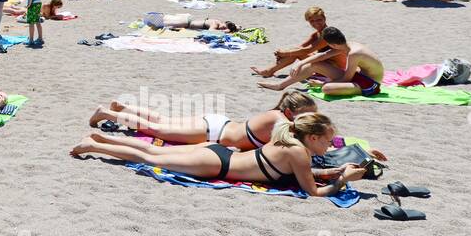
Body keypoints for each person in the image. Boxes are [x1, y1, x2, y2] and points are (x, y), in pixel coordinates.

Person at [71, 112, 368, 198]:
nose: (330, 147)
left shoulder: (290, 140)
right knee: (150, 157)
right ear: (312, 138)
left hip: (220, 153)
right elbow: (314, 192)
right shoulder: (299, 153)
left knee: (152, 149)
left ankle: (102, 138)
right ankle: (94, 146)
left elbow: (303, 175)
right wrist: (343, 180)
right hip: (216, 165)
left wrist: (335, 172)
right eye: (328, 142)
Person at [87, 92, 318, 149]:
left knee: (162, 121)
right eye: (307, 114)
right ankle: (108, 114)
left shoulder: (277, 115)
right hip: (213, 132)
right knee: (155, 128)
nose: (310, 119)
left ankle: (124, 107)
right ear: (291, 112)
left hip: (216, 124)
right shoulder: (280, 121)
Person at [258, 26, 385, 96]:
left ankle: (326, 85)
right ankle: (280, 86)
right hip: (359, 77)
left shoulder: (354, 53)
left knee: (327, 89)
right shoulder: (347, 45)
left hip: (371, 85)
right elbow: (324, 55)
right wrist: (301, 63)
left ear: (332, 44)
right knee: (314, 65)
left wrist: (322, 83)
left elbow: (346, 78)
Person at [250, 6, 328, 77]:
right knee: (295, 51)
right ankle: (269, 71)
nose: (316, 23)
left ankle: (268, 71)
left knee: (296, 53)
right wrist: (283, 53)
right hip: (325, 64)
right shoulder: (317, 33)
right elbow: (301, 47)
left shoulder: (328, 33)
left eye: (319, 20)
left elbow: (307, 50)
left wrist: (285, 53)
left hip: (333, 69)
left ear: (325, 18)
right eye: (312, 21)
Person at [143, 11, 238, 32]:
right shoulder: (216, 23)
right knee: (163, 24)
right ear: (224, 23)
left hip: (188, 23)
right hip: (187, 22)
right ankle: (151, 18)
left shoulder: (217, 21)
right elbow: (211, 32)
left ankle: (154, 17)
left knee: (167, 22)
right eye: (224, 27)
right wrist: (225, 32)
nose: (222, 28)